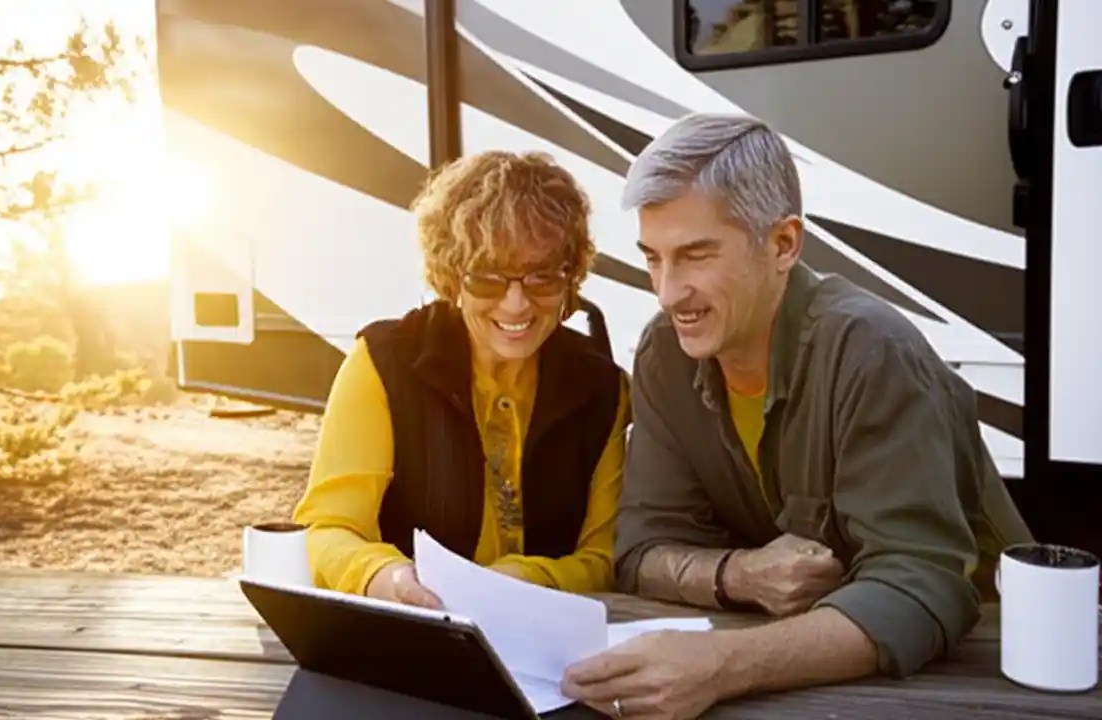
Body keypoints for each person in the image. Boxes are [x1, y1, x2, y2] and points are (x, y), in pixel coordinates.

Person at [559, 113, 1034, 719]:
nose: (668, 292)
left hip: (979, 673)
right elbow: (642, 549)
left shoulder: (870, 351)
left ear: (783, 244)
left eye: (696, 256)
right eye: (654, 258)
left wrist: (723, 665)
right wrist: (740, 575)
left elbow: (920, 587)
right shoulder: (665, 355)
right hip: (807, 666)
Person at [292, 150, 631, 608]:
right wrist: (387, 578)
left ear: (570, 277)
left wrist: (521, 579)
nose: (516, 305)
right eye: (488, 278)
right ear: (452, 275)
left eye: (542, 277)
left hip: (549, 646)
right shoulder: (383, 362)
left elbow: (605, 557)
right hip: (414, 638)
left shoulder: (605, 390)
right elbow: (328, 528)